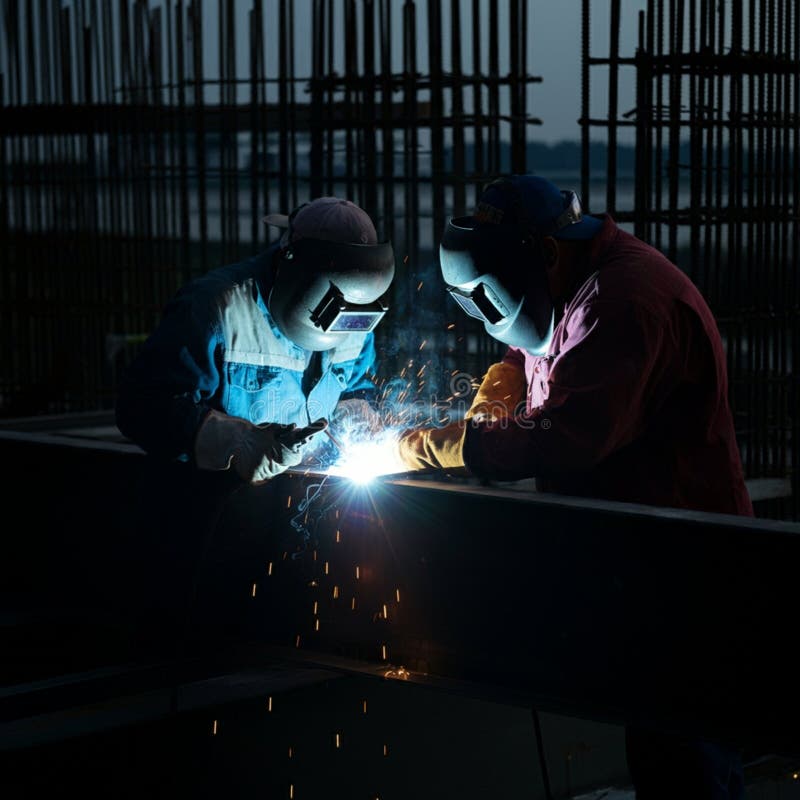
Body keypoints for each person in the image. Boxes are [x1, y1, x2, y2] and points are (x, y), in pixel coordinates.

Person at [392, 174, 750, 798]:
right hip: (636, 557)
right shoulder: (572, 281)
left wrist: (445, 443)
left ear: (546, 254)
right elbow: (535, 346)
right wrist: (501, 381)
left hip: (685, 564)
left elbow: (562, 437)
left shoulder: (625, 302)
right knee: (656, 740)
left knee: (685, 757)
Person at [115, 196, 394, 483]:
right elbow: (141, 407)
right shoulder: (216, 308)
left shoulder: (358, 313)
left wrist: (356, 409)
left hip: (308, 504)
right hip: (218, 506)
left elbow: (356, 385)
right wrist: (236, 442)